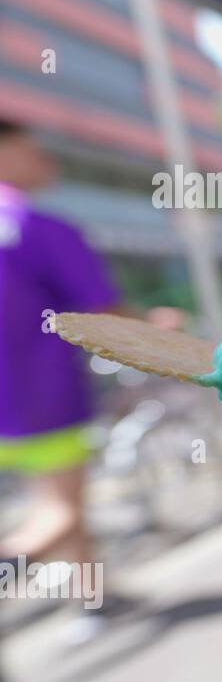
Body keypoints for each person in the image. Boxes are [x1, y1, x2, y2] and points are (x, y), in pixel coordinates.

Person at [0, 119, 121, 569]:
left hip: (8, 404)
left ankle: (92, 600)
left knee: (50, 495)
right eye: (33, 149)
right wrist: (155, 325)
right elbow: (103, 313)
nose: (47, 160)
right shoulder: (38, 225)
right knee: (61, 509)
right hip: (42, 394)